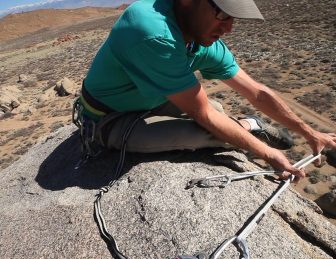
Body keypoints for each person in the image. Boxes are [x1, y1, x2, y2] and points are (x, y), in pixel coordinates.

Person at [78, 0, 336, 180]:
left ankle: (248, 125)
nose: (229, 28)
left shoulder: (200, 36)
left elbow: (257, 92)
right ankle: (251, 127)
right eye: (223, 14)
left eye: (233, 17)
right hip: (109, 117)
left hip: (149, 97)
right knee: (205, 135)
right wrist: (269, 154)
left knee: (218, 112)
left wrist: (309, 132)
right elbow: (204, 116)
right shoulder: (152, 31)